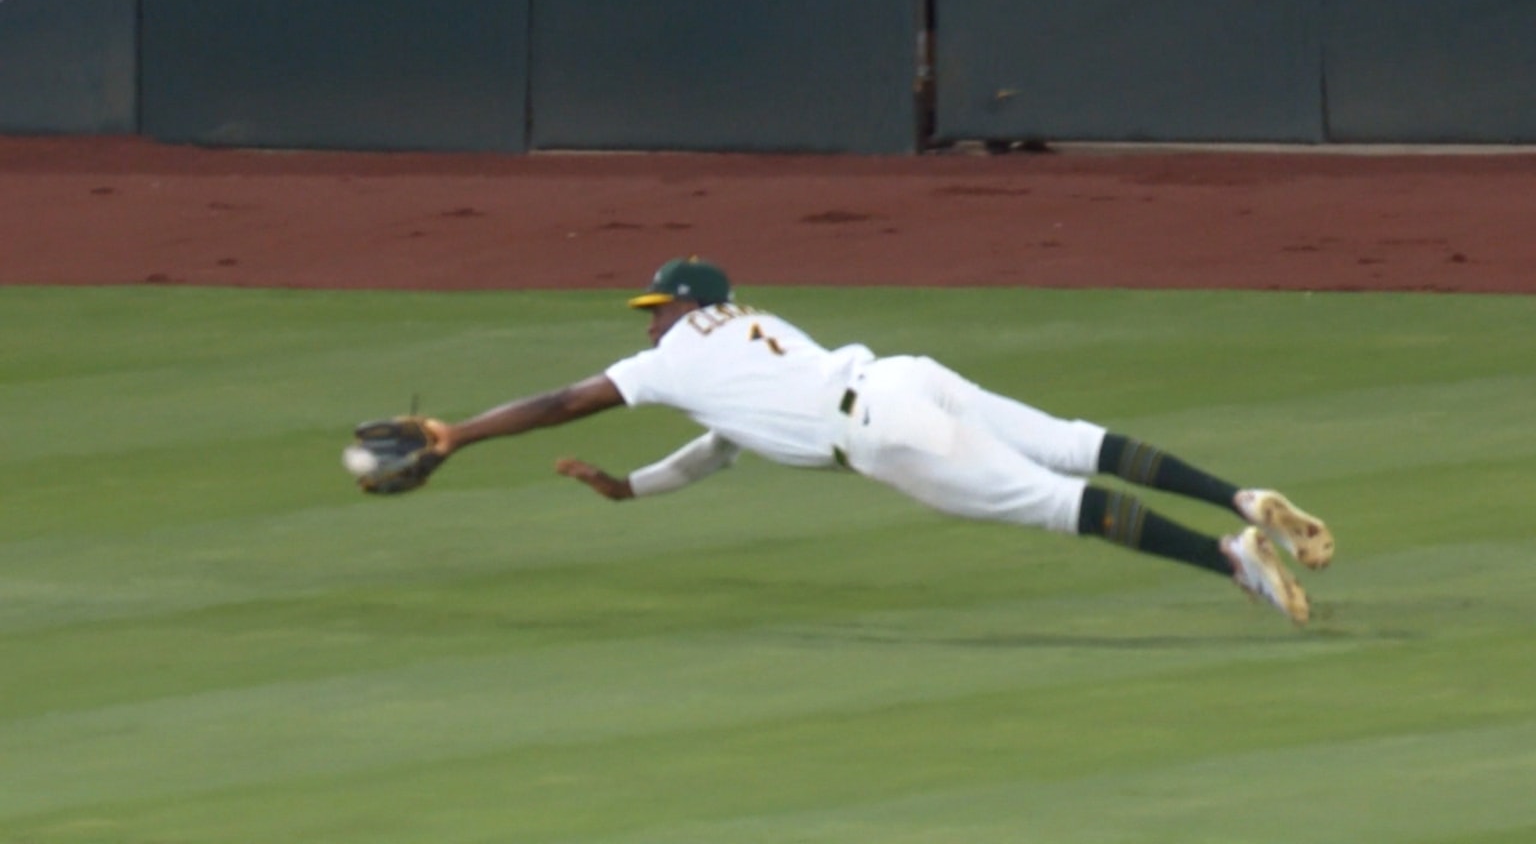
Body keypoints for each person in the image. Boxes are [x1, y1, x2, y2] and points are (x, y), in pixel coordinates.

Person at [425, 257, 1332, 624]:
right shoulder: (750, 330)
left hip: (882, 431)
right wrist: (631, 487)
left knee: (1055, 501)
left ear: (688, 305)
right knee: (1074, 443)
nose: (649, 321)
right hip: (904, 376)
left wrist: (456, 435)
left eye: (657, 307)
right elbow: (719, 446)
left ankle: (1233, 561)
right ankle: (1240, 499)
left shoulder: (671, 358)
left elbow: (562, 401)